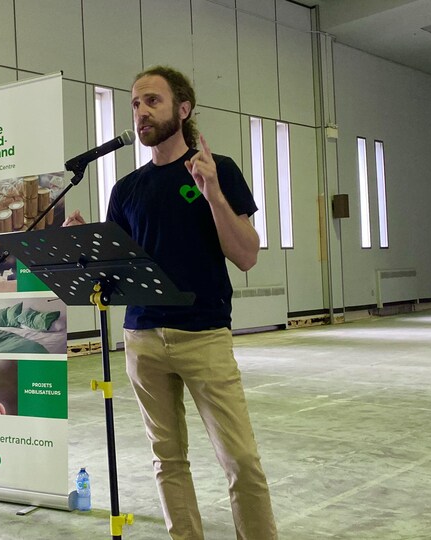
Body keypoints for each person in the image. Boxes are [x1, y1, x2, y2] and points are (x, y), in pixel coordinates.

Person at [64, 65, 277, 539]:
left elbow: (246, 254)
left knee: (240, 459)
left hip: (204, 334)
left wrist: (214, 195)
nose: (141, 112)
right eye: (136, 103)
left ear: (184, 109)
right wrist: (85, 243)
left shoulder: (217, 170)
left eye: (152, 101)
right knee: (168, 461)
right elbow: (115, 272)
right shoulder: (126, 190)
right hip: (141, 337)